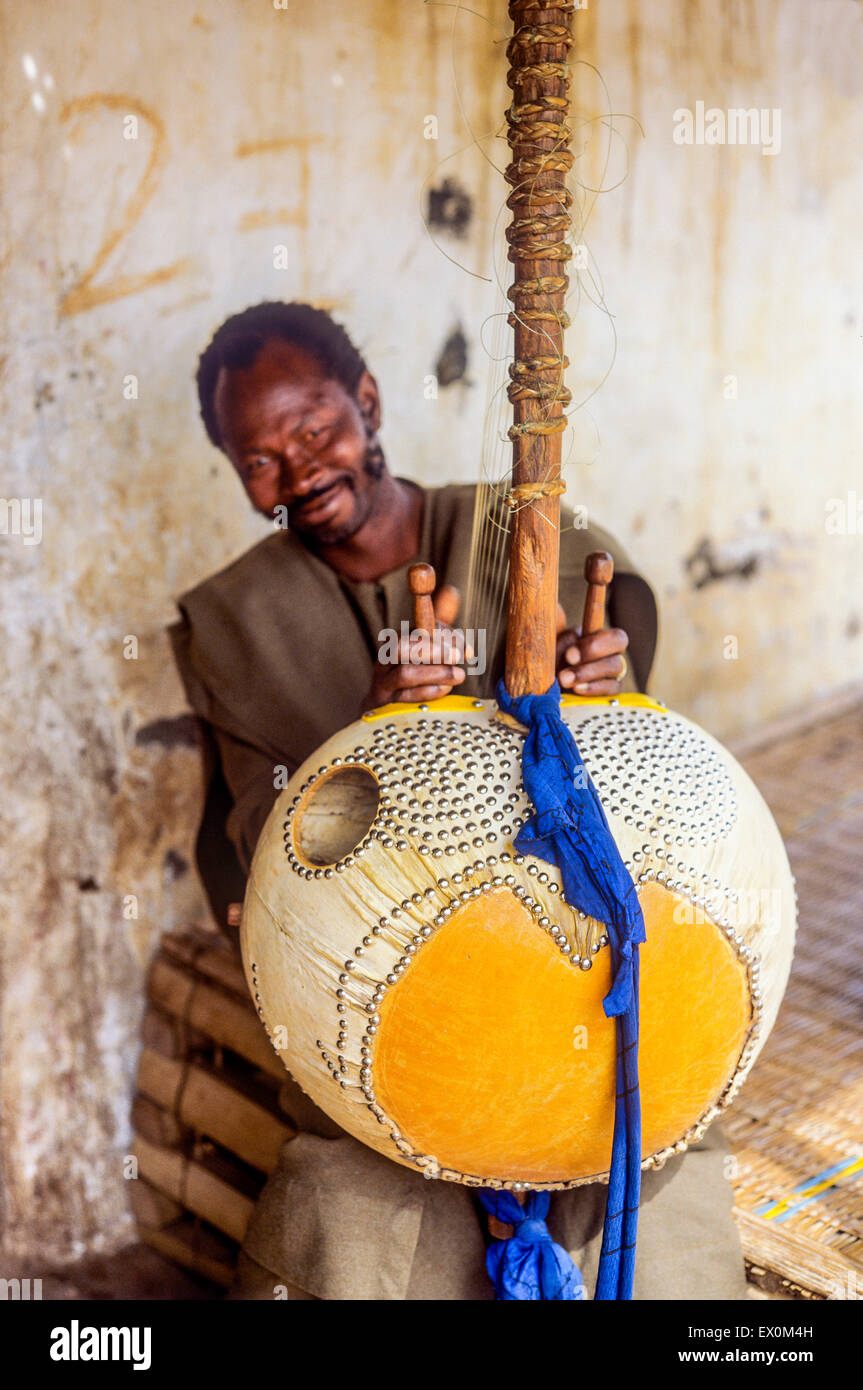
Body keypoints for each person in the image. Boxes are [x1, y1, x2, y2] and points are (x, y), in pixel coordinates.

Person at [169, 301, 747, 1300]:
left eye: (314, 428)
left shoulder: (534, 539)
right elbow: (263, 857)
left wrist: (599, 699)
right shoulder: (238, 622)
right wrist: (363, 739)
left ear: (367, 401)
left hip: (566, 966)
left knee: (640, 1143)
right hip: (382, 988)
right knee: (362, 1186)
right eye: (258, 458)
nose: (298, 470)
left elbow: (648, 801)